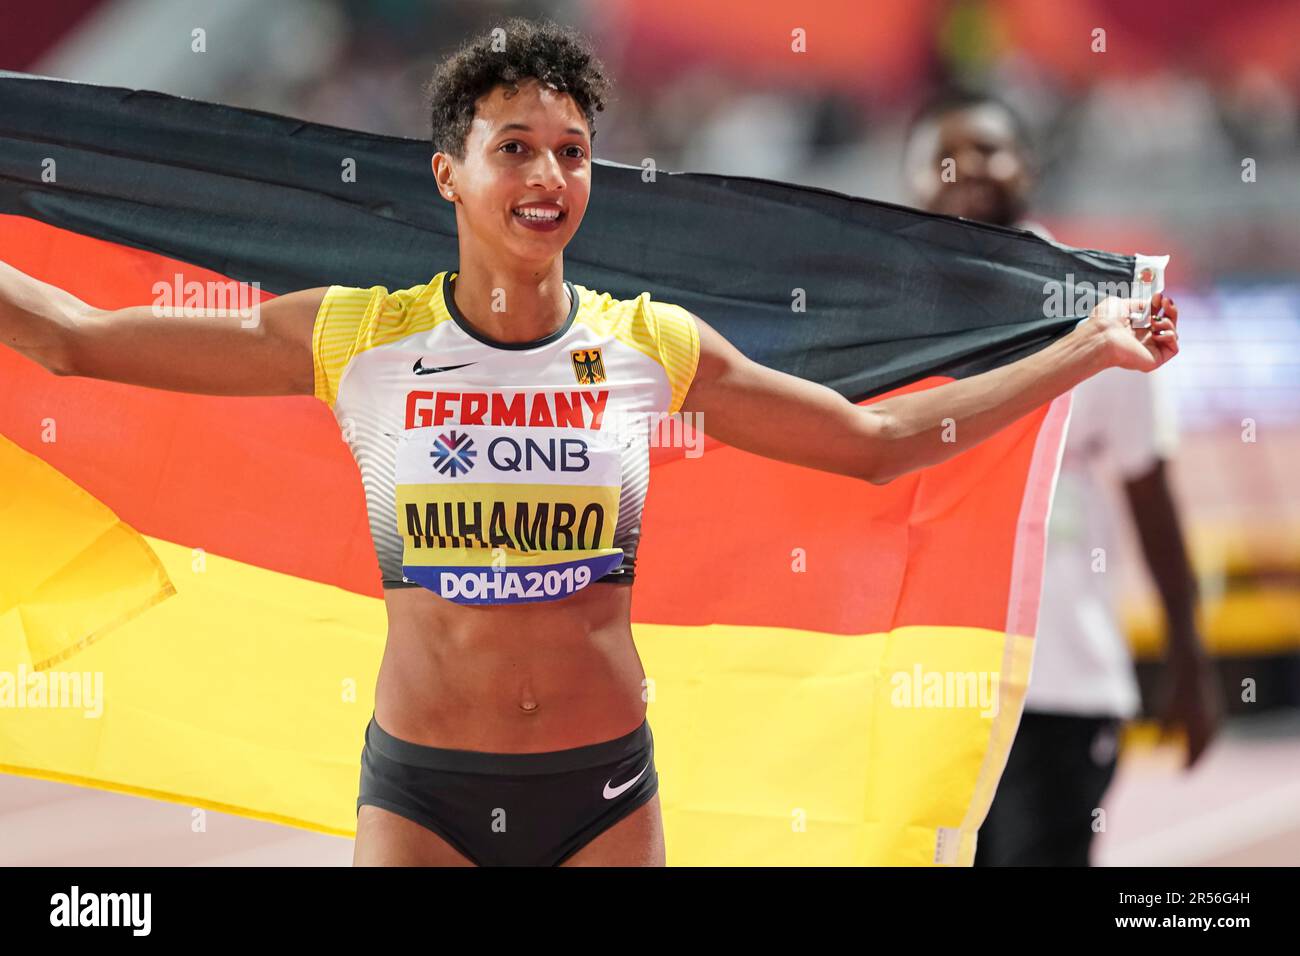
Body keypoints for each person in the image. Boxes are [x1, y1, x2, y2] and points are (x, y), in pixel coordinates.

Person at [0, 22, 1181, 867]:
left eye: (570, 150)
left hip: (604, 789)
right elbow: (73, 340)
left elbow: (874, 442)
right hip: (420, 790)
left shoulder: (648, 345)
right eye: (513, 147)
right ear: (448, 176)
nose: (548, 175)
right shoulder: (355, 334)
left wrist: (1086, 347)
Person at [903, 90, 1220, 866]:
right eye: (948, 156)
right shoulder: (889, 319)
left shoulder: (1104, 312)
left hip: (1060, 685)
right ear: (915, 182)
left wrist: (1189, 659)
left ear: (1029, 167)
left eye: (990, 149)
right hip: (924, 688)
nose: (969, 168)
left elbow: (1151, 493)